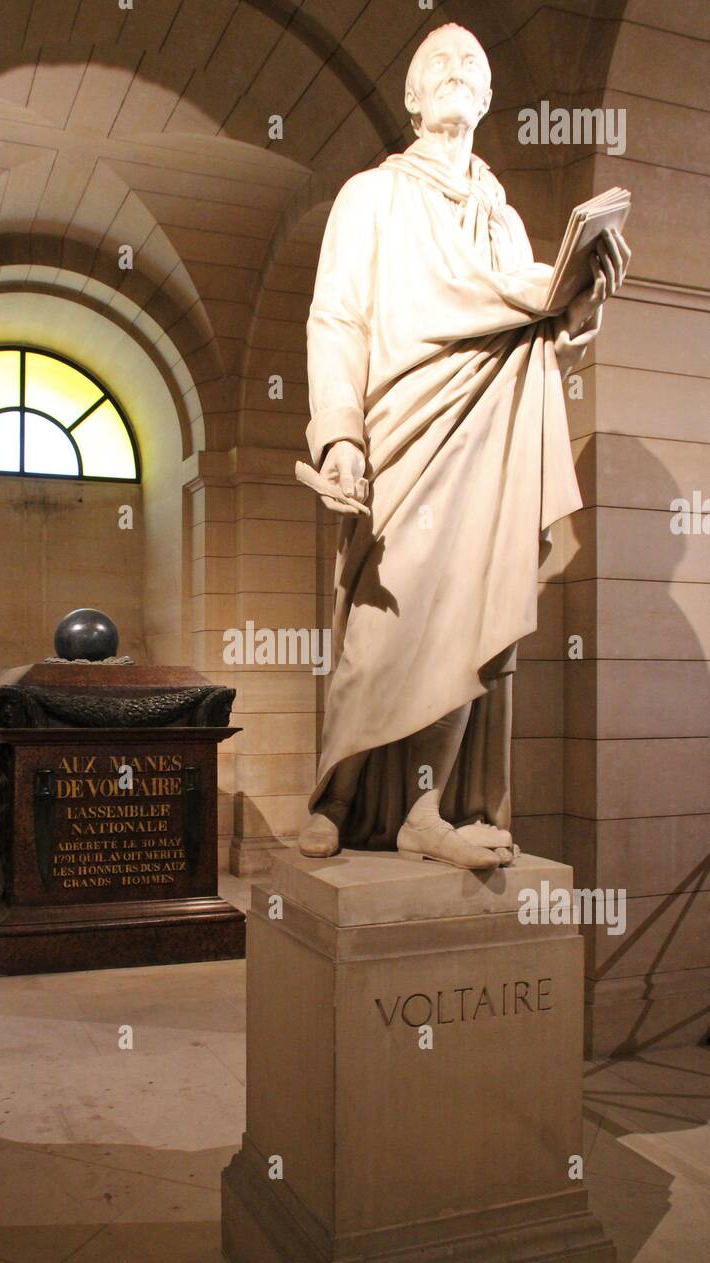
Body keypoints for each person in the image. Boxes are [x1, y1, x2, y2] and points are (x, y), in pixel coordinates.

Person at [297, 22, 630, 869]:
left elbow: (531, 325)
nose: (455, 72)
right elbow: (336, 317)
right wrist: (340, 434)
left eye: (471, 67)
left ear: (485, 99)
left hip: (488, 436)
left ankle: (422, 810)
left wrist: (582, 299)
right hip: (403, 431)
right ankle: (335, 794)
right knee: (384, 620)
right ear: (412, 98)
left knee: (468, 624)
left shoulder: (501, 214)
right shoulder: (370, 196)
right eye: (437, 63)